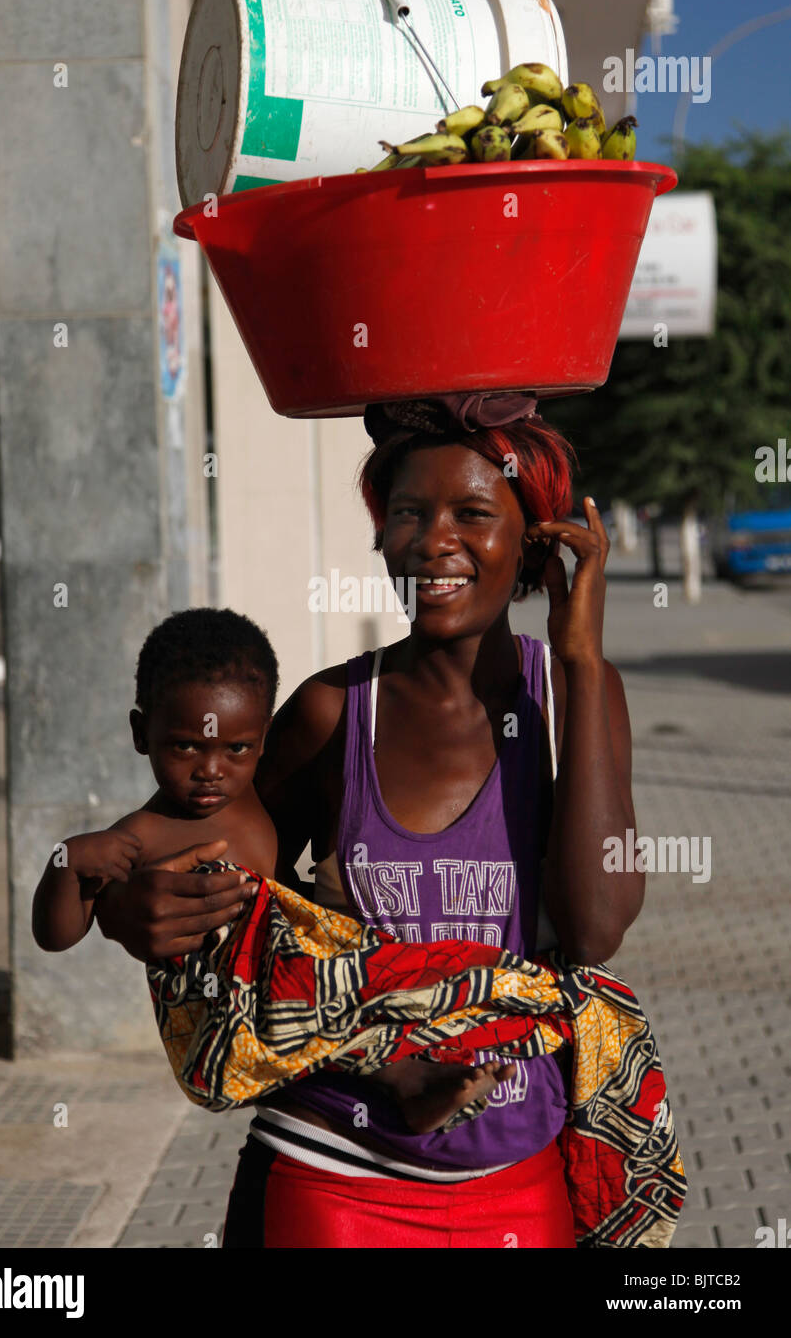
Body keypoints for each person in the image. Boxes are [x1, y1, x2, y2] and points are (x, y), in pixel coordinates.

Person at [93, 393, 645, 1249]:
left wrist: (579, 657)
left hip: (516, 1173)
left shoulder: (576, 693)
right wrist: (131, 908)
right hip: (331, 1170)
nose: (433, 542)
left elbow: (596, 927)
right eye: (408, 515)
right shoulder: (332, 713)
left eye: (472, 513)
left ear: (534, 539)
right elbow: (226, 883)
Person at [31, 608, 276, 952]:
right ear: (141, 733)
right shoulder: (141, 836)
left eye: (236, 747)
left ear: (263, 739)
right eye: (187, 746)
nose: (211, 770)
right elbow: (57, 937)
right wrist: (65, 862)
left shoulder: (270, 792)